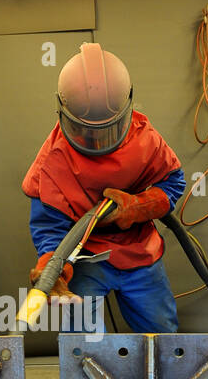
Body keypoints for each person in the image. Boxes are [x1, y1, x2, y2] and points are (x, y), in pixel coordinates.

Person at [22, 42, 186, 332]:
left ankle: (160, 377)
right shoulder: (52, 162)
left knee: (163, 337)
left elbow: (173, 181)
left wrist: (138, 207)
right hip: (87, 256)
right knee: (81, 344)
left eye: (106, 131)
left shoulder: (145, 139)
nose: (97, 143)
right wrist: (53, 268)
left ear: (127, 109)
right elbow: (50, 227)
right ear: (62, 112)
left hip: (139, 250)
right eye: (85, 132)